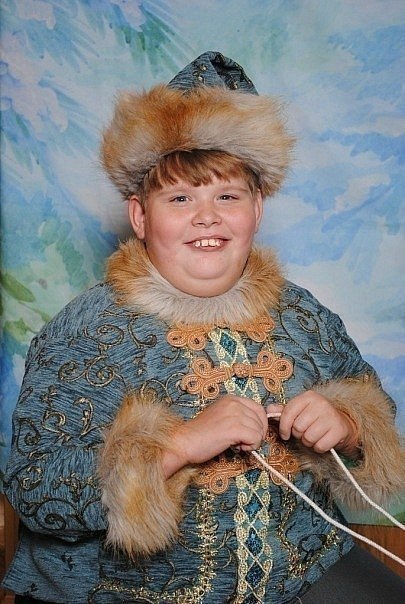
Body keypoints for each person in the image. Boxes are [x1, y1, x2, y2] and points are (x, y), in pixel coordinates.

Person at [2, 51, 404, 604]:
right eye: (180, 198)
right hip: (124, 590)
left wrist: (348, 423)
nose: (207, 215)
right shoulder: (83, 334)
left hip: (302, 568)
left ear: (257, 210)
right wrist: (179, 445)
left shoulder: (304, 314)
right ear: (141, 216)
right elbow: (34, 488)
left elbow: (374, 405)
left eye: (227, 196)